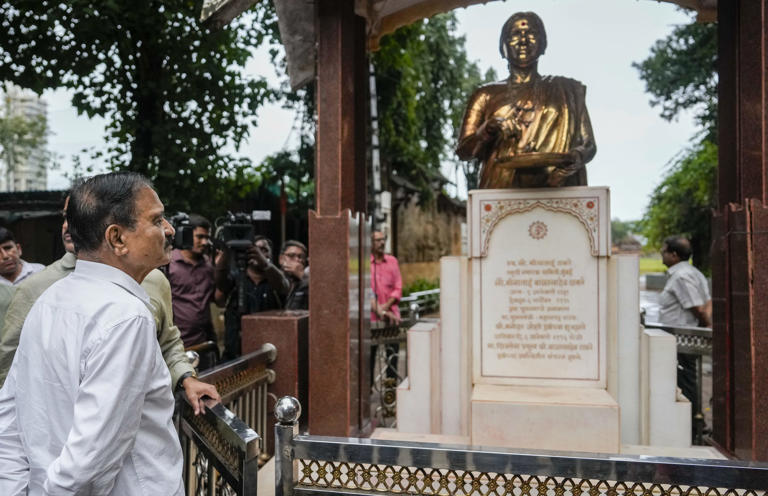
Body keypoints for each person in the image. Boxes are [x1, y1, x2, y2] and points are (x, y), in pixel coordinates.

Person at [0, 173, 215, 495]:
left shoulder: (50, 300)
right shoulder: (125, 317)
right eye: (156, 220)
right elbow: (88, 463)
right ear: (117, 238)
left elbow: (8, 420)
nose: (169, 229)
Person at [0, 196, 218, 407]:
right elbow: (9, 368)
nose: (68, 226)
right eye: (66, 217)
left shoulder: (153, 280)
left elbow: (167, 343)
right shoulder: (37, 288)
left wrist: (186, 378)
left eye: (77, 217)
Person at [456, 11, 596, 189]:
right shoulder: (485, 94)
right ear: (503, 47)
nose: (523, 40)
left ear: (543, 44)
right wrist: (487, 129)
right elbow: (464, 152)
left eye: (531, 33)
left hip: (557, 190)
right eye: (515, 34)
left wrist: (574, 159)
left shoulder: (566, 90)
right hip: (500, 192)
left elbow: (589, 144)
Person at [658, 235, 711, 439]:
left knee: (686, 382)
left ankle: (692, 425)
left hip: (681, 338)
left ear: (674, 254)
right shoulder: (693, 272)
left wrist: (707, 326)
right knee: (688, 379)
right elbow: (707, 301)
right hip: (683, 337)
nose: (662, 254)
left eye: (664, 251)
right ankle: (694, 422)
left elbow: (698, 306)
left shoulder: (681, 276)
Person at [215, 235, 289, 360]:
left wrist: (264, 263)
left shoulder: (275, 282)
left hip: (268, 354)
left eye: (264, 250)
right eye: (254, 249)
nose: (258, 252)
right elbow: (220, 280)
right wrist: (228, 250)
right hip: (235, 356)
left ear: (270, 256)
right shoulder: (235, 279)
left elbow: (284, 286)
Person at [165, 214, 217, 349]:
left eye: (207, 237)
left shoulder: (208, 265)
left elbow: (217, 299)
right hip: (178, 344)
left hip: (205, 341)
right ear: (187, 234)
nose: (205, 242)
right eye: (200, 237)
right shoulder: (168, 263)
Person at [370, 231, 402, 325]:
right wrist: (380, 309)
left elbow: (398, 288)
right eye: (378, 240)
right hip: (372, 318)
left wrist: (386, 306)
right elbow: (366, 292)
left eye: (384, 239)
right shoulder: (364, 264)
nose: (382, 243)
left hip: (393, 316)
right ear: (371, 243)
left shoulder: (393, 261)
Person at [280, 240, 309, 311]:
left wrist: (301, 275)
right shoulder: (276, 278)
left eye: (301, 257)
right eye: (291, 256)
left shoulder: (307, 282)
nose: (297, 260)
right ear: (281, 259)